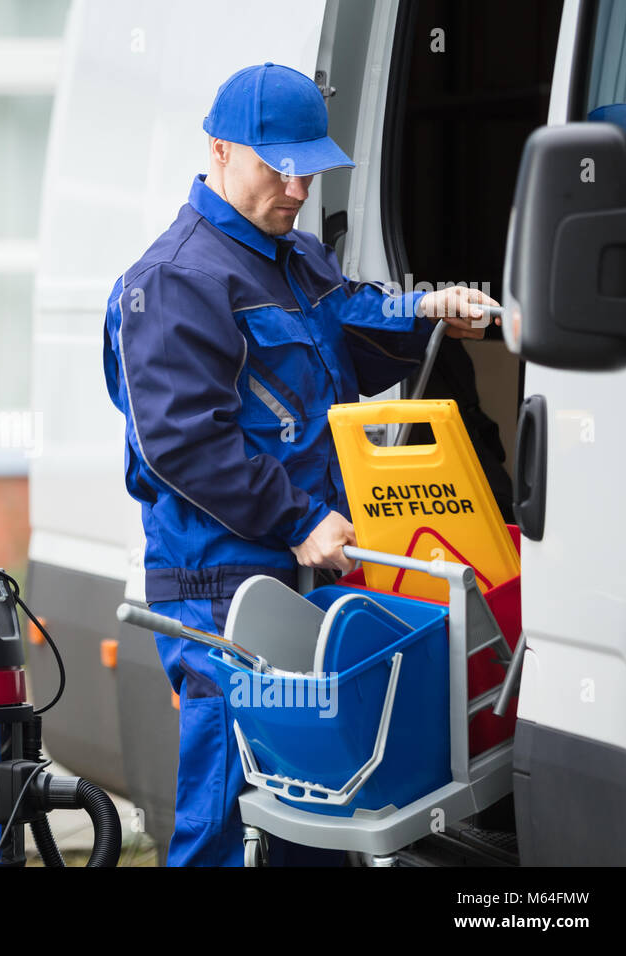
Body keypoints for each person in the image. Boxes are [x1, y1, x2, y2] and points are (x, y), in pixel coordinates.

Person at [102, 62, 497, 866]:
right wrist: (299, 518)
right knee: (225, 820)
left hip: (305, 572)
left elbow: (346, 312)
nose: (295, 186)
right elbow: (182, 442)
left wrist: (425, 311)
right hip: (223, 589)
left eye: (308, 167)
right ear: (218, 150)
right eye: (275, 165)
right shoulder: (175, 278)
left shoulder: (294, 257)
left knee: (313, 809)